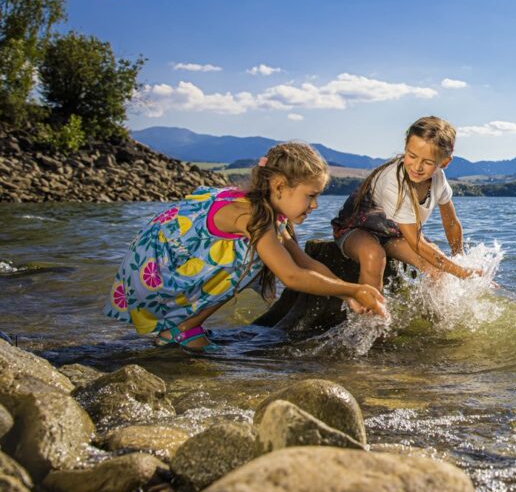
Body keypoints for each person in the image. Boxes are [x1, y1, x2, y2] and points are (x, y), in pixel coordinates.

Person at [104, 141, 388, 353]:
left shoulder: (268, 213)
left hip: (159, 269)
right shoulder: (252, 216)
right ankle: (181, 330)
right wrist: (353, 288)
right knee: (258, 259)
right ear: (279, 186)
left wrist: (347, 293)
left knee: (265, 256)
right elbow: (291, 276)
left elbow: (304, 262)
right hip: (155, 274)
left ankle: (182, 328)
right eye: (310, 195)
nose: (314, 205)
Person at [332, 115, 476, 288]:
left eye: (428, 162)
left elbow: (451, 223)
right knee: (373, 256)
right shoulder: (393, 182)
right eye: (412, 156)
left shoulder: (439, 180)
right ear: (405, 147)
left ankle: (436, 314)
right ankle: (371, 314)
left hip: (394, 234)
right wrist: (462, 272)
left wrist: (459, 257)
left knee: (437, 268)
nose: (417, 167)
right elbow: (416, 243)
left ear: (444, 162)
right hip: (356, 229)